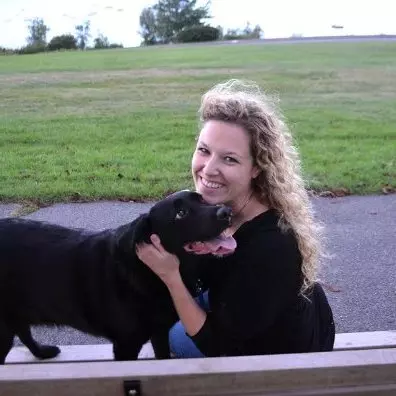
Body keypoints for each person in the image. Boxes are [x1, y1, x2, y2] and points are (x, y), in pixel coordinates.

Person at [136, 79, 335, 358]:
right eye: (204, 150)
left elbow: (218, 346)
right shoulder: (225, 208)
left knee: (173, 333)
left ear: (256, 168)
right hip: (268, 315)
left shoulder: (271, 245)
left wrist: (170, 277)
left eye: (229, 159)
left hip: (279, 361)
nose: (209, 169)